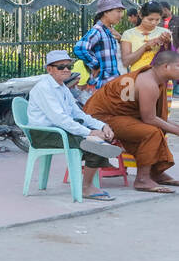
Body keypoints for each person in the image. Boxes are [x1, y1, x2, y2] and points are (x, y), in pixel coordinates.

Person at [26, 49, 123, 202]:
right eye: (61, 67)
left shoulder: (63, 87)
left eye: (68, 66)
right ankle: (86, 187)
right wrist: (89, 133)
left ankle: (97, 158)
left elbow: (79, 114)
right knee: (94, 143)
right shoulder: (44, 88)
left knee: (99, 138)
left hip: (60, 130)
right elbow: (60, 119)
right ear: (49, 69)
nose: (66, 70)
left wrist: (102, 126)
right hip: (45, 134)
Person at [84, 49, 179, 193]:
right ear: (166, 66)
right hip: (100, 119)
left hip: (119, 116)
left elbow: (157, 117)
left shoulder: (153, 78)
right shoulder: (149, 83)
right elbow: (150, 119)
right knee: (151, 132)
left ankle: (156, 172)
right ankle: (142, 179)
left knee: (157, 128)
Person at [72, 0, 127, 89]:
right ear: (106, 12)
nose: (121, 15)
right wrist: (96, 65)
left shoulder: (109, 31)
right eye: (118, 11)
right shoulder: (98, 30)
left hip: (113, 83)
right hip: (103, 85)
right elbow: (80, 48)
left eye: (121, 12)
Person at [120, 2, 173, 72]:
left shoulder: (164, 33)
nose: (154, 23)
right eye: (150, 19)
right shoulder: (128, 34)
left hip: (160, 75)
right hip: (137, 75)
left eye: (157, 20)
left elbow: (171, 60)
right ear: (140, 15)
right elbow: (126, 62)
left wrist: (167, 44)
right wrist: (145, 47)